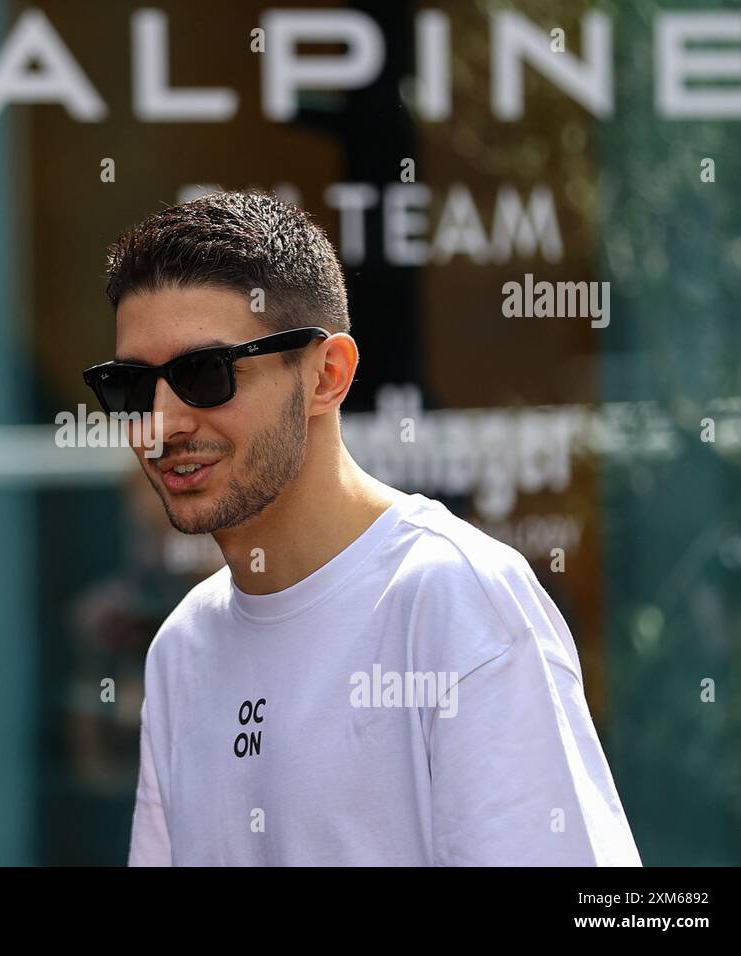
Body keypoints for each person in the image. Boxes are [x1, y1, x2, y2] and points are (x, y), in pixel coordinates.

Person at [82, 189, 642, 866]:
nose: (162, 423)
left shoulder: (453, 598)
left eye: (205, 374)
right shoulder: (184, 647)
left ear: (328, 376)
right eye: (131, 387)